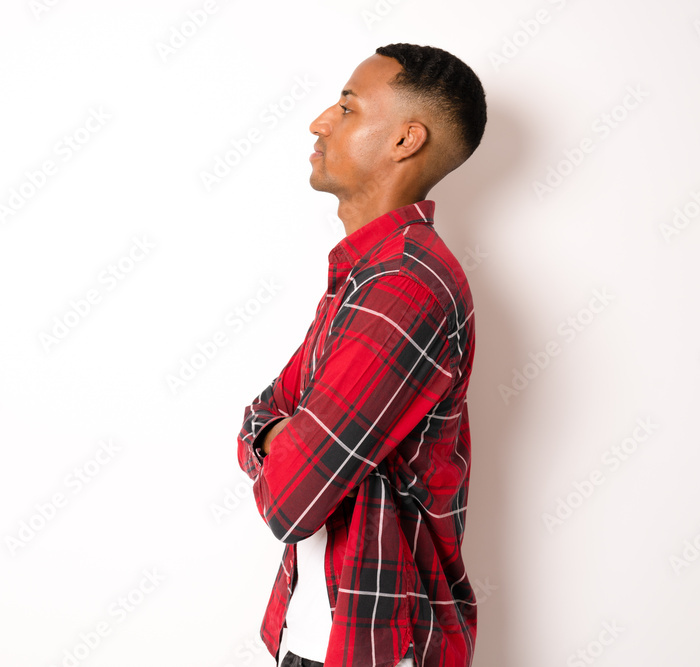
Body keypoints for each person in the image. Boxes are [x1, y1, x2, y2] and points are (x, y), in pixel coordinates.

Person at [236, 42, 486, 667]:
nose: (319, 121)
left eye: (347, 109)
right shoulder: (365, 275)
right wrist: (281, 435)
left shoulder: (404, 287)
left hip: (377, 649)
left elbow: (291, 501)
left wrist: (284, 439)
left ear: (405, 140)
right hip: (322, 634)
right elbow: (257, 419)